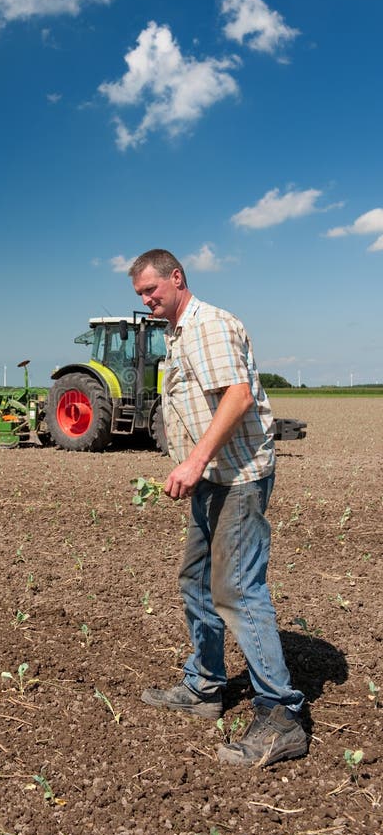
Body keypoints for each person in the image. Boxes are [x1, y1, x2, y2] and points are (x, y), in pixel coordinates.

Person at [129, 248, 307, 767]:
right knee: (194, 579)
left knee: (236, 590)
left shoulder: (209, 326)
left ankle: (281, 716)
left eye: (151, 291)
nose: (146, 301)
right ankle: (205, 686)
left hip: (238, 478)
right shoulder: (178, 333)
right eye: (140, 294)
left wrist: (194, 461)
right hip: (211, 479)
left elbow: (238, 397)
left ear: (176, 278)